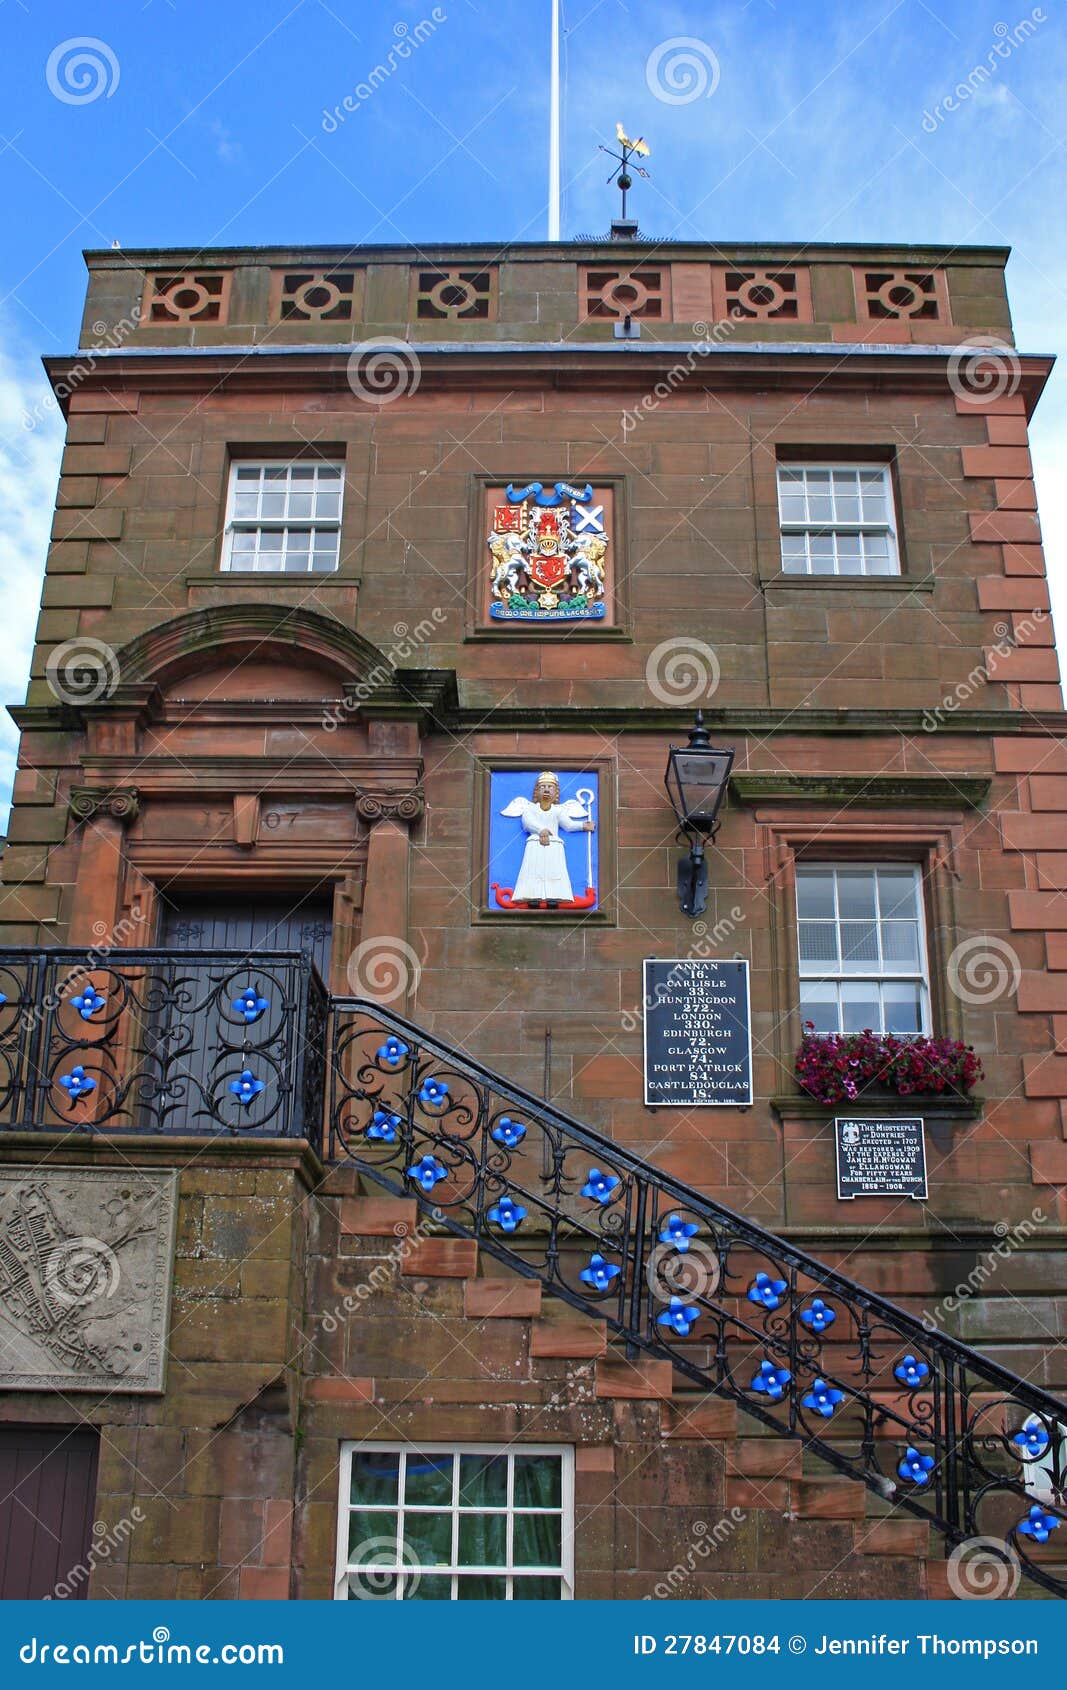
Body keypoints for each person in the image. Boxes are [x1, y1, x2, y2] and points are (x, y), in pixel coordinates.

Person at [500, 773, 593, 906]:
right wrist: (540, 830)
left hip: (553, 845)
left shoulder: (558, 810)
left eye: (550, 787)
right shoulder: (530, 809)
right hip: (535, 844)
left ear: (555, 792)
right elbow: (527, 822)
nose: (547, 789)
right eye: (543, 787)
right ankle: (532, 897)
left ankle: (553, 896)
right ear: (537, 791)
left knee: (554, 870)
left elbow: (568, 825)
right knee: (533, 869)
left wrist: (583, 825)